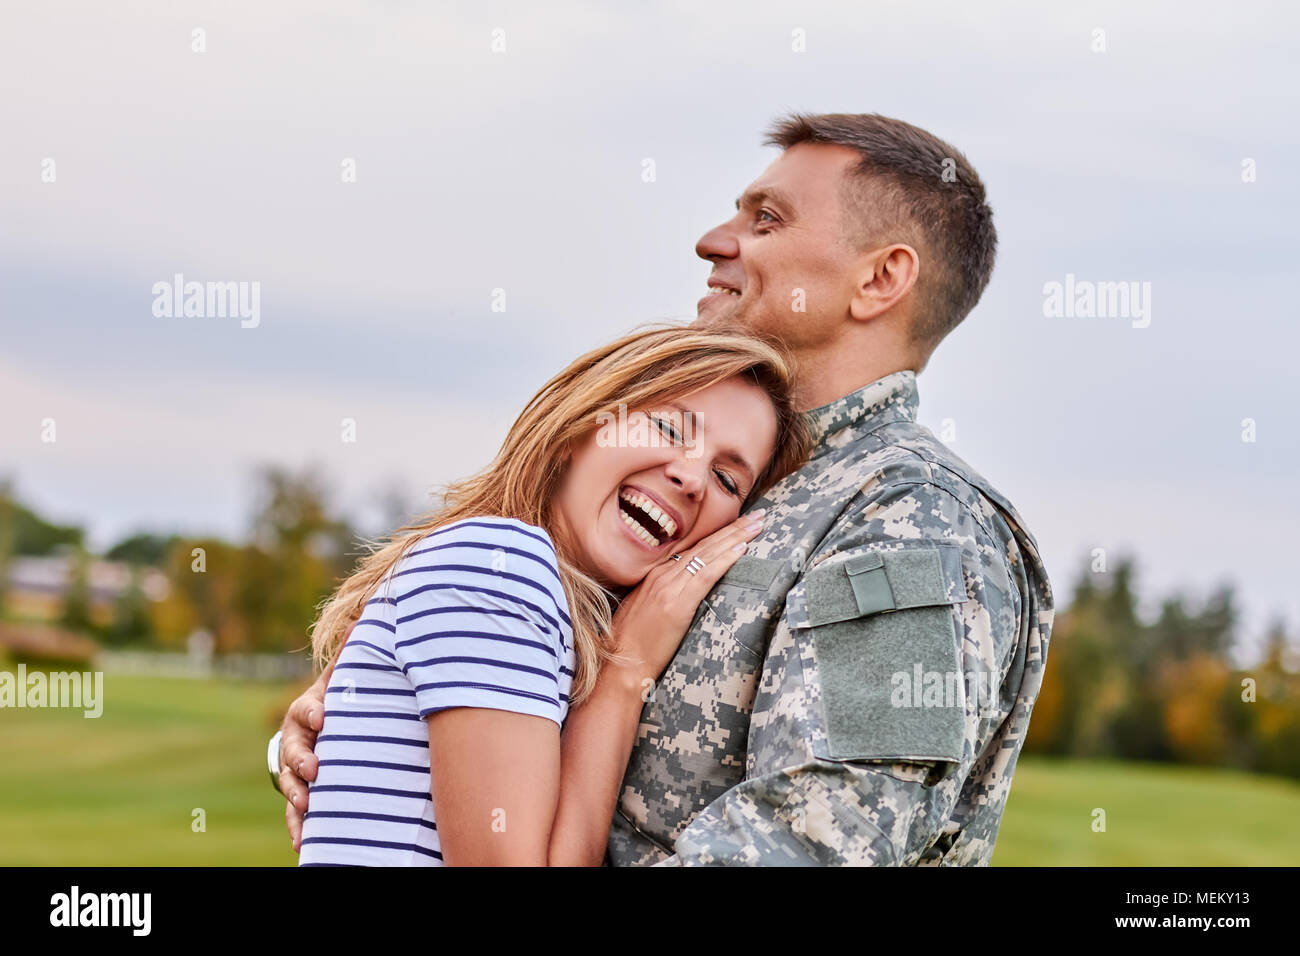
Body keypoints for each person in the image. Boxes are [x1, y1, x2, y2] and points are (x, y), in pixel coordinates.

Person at [275, 112, 1055, 866]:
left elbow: (820, 840)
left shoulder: (911, 521)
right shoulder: (720, 486)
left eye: (768, 219)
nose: (713, 240)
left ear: (880, 277)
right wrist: (363, 722)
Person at [294, 325, 811, 865]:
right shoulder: (502, 564)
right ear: (576, 429)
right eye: (667, 426)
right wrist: (624, 675)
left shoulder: (529, 592)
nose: (691, 478)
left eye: (728, 480)